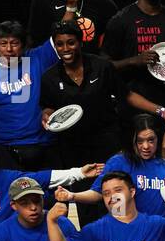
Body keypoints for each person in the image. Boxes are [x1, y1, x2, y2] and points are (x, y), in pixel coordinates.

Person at [38, 20, 130, 181]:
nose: (65, 49)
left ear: (80, 42)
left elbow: (127, 95)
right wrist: (47, 116)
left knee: (113, 192)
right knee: (81, 197)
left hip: (107, 142)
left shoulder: (102, 66)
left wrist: (160, 110)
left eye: (71, 43)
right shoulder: (49, 77)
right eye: (59, 44)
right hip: (73, 148)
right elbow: (48, 107)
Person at [0, 19, 61, 171]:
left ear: (23, 46)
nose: (9, 49)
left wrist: (71, 7)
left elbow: (61, 34)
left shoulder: (37, 58)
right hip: (4, 149)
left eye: (14, 43)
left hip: (42, 144)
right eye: (3, 43)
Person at [62, 114, 165, 221]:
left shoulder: (164, 165)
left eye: (151, 140)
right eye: (139, 141)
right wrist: (73, 196)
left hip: (161, 236)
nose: (146, 146)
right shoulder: (119, 162)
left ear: (158, 139)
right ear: (131, 140)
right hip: (130, 236)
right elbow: (97, 193)